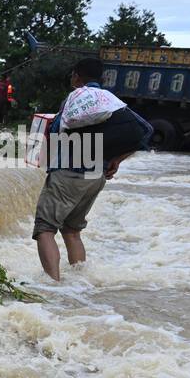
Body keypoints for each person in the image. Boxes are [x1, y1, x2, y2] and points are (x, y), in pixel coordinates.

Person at [32, 58, 149, 280]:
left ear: (76, 76)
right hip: (97, 174)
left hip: (68, 172)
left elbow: (55, 131)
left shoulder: (75, 99)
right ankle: (80, 284)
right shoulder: (111, 101)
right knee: (72, 231)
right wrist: (117, 160)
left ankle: (51, 285)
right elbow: (146, 130)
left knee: (45, 229)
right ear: (101, 79)